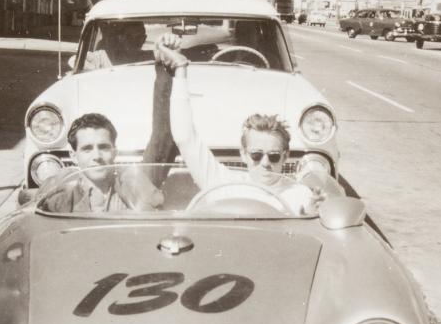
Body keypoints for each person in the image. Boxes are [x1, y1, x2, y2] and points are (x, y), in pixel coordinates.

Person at [157, 36, 325, 216]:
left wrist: (311, 210)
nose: (265, 163)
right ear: (243, 154)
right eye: (256, 155)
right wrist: (180, 71)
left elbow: (308, 216)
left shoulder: (299, 193)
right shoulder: (223, 182)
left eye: (274, 156)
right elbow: (185, 138)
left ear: (285, 156)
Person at [37, 113, 164, 213]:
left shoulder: (130, 183)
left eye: (104, 147)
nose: (97, 156)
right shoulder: (62, 190)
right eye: (87, 149)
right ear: (74, 156)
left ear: (114, 152)